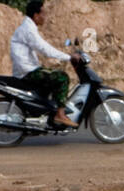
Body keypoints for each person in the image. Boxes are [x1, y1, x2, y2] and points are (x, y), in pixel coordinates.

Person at [10, 0, 83, 128]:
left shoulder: (28, 27)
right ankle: (60, 114)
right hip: (27, 72)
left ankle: (47, 111)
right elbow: (44, 49)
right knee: (62, 77)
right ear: (36, 15)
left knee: (51, 75)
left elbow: (43, 47)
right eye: (43, 14)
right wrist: (68, 57)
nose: (45, 17)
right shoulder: (28, 30)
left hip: (27, 69)